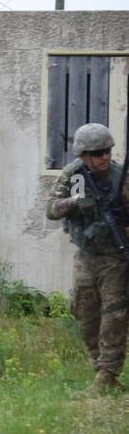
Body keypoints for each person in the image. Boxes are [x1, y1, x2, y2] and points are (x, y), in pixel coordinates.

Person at [47, 123, 129, 395]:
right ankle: (100, 370)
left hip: (114, 259)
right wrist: (74, 202)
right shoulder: (73, 175)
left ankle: (108, 374)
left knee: (114, 316)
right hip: (86, 256)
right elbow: (51, 210)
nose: (104, 157)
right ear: (83, 155)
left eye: (107, 151)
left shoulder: (121, 178)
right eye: (97, 153)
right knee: (85, 313)